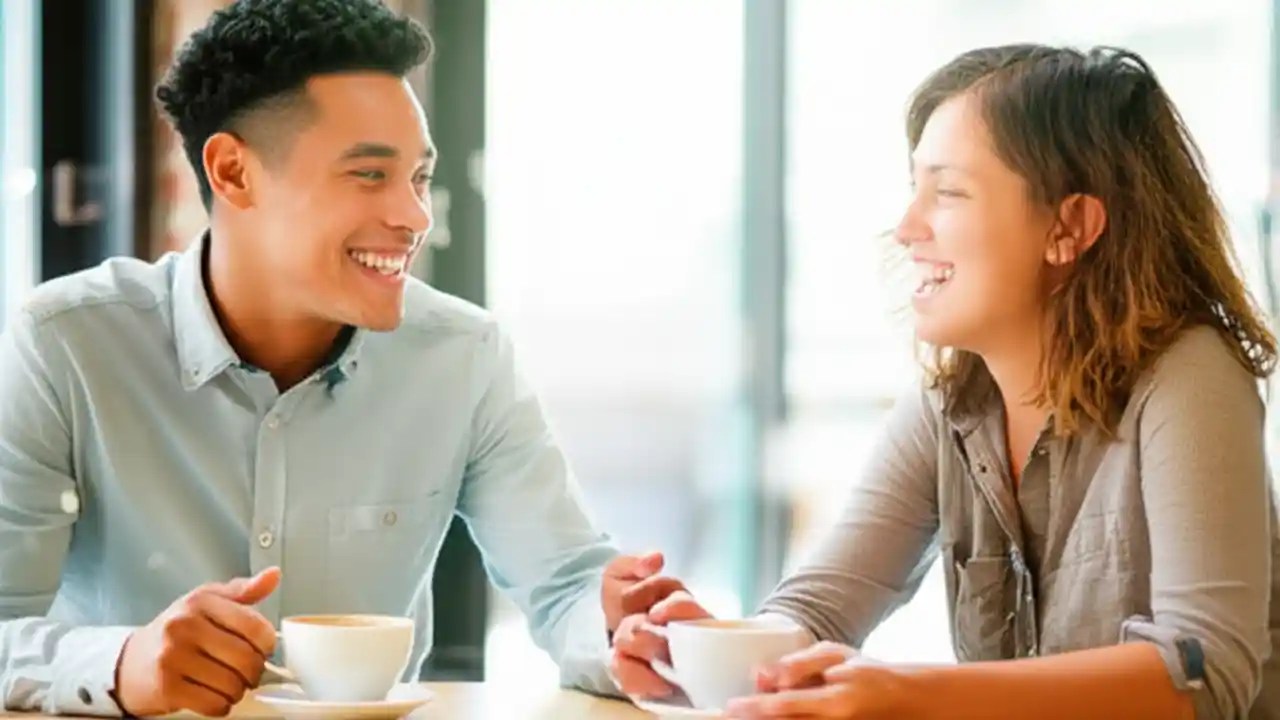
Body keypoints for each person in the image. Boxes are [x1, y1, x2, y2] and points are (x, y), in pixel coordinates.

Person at [0, 1, 673, 716]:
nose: (416, 216)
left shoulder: (462, 356)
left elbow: (568, 585)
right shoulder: (66, 344)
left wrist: (621, 630)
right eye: (369, 175)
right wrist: (122, 661)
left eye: (418, 178)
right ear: (233, 173)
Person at [612, 44, 1280, 719]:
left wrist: (910, 695)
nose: (907, 228)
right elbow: (817, 610)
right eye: (915, 188)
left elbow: (1202, 671)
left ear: (1069, 226)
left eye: (949, 191)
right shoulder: (951, 403)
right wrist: (704, 655)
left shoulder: (1189, 374)